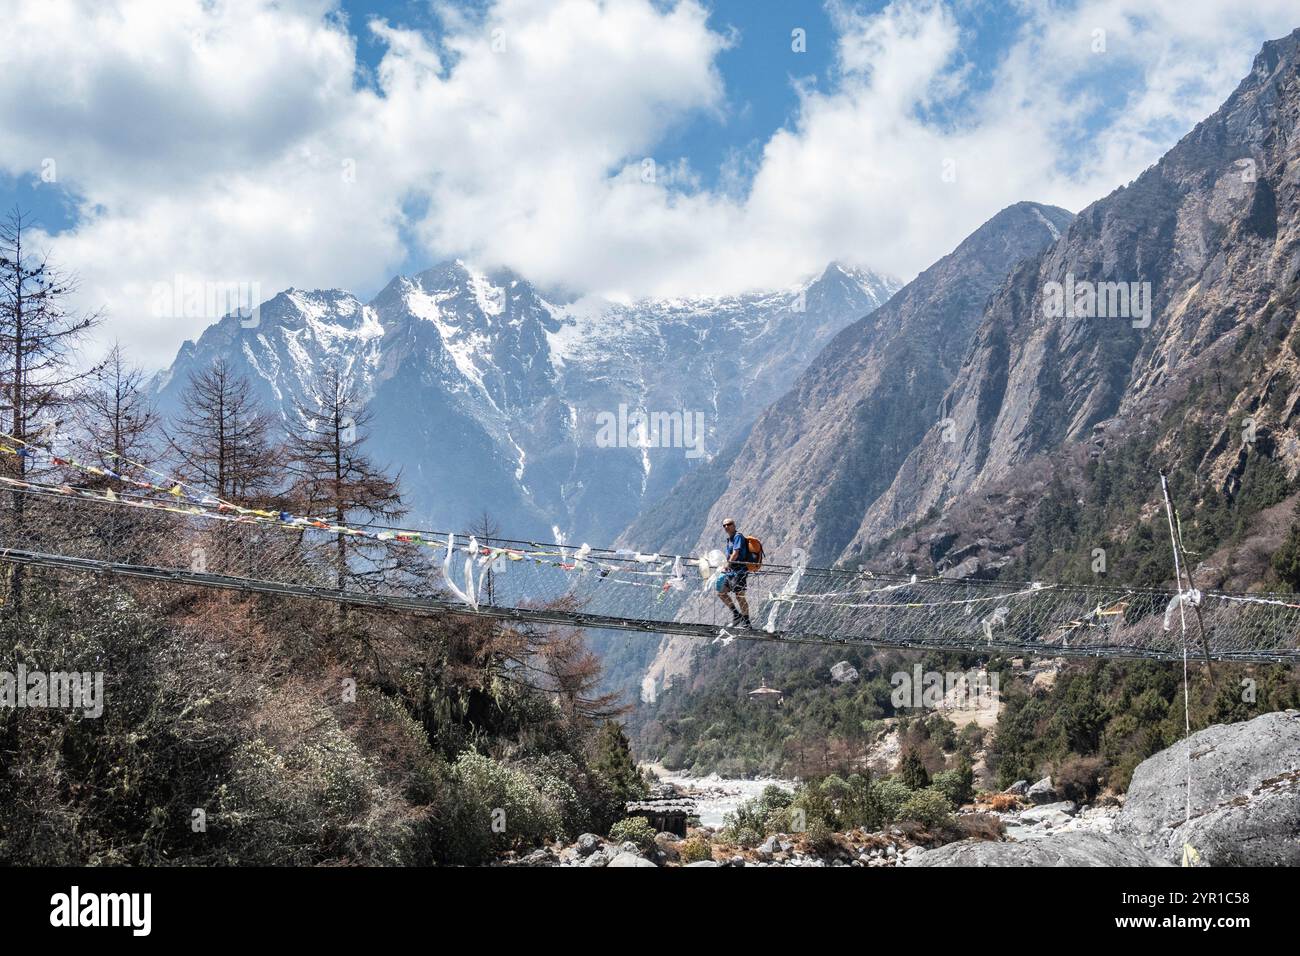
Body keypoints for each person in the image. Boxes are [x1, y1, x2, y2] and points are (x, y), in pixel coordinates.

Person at [716, 517, 752, 629]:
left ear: (734, 525)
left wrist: (727, 565)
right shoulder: (729, 539)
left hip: (739, 572)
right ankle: (737, 614)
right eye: (724, 525)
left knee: (739, 596)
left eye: (729, 524)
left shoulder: (738, 537)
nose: (727, 526)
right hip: (730, 572)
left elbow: (736, 553)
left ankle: (747, 622)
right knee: (721, 592)